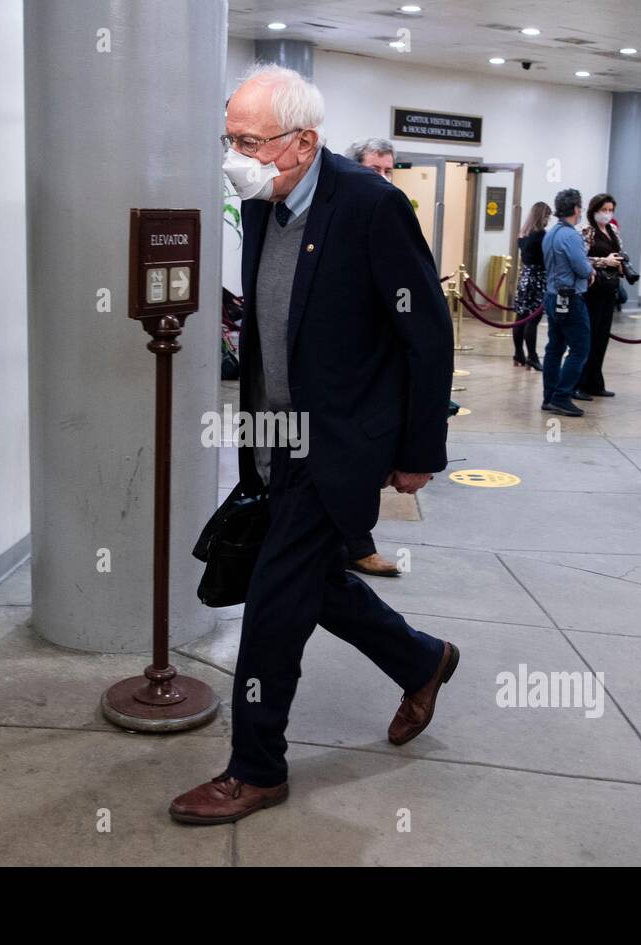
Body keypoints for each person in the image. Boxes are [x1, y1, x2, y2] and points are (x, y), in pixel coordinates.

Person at [171, 65, 457, 825]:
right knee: (315, 584)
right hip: (271, 437)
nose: (234, 154)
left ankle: (255, 769)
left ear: (303, 142)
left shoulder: (369, 206)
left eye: (248, 140)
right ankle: (422, 659)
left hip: (335, 445)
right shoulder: (264, 202)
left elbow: (426, 333)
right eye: (228, 138)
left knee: (271, 609)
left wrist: (418, 448)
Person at [343, 134, 405, 577]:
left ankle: (359, 543)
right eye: (374, 169)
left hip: (377, 362)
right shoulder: (340, 214)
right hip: (340, 364)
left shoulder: (391, 214)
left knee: (367, 462)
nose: (383, 178)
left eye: (389, 170)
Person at [540, 187, 595, 418]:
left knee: (554, 347)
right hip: (570, 298)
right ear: (575, 208)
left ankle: (550, 396)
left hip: (552, 296)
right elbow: (581, 268)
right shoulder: (571, 235)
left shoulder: (551, 233)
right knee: (580, 348)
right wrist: (591, 270)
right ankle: (562, 396)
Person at [576, 193, 624, 399]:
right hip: (593, 289)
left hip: (610, 288)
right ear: (593, 210)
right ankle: (580, 382)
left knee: (602, 337)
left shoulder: (612, 229)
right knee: (588, 335)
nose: (607, 214)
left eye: (610, 210)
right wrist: (605, 261)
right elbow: (582, 258)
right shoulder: (587, 231)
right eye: (603, 210)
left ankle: (595, 381)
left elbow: (620, 251)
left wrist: (620, 263)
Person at [512, 201, 550, 371]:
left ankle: (518, 353)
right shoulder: (542, 236)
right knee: (532, 320)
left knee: (521, 317)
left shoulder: (523, 235)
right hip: (538, 279)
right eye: (548, 216)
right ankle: (532, 356)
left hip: (525, 277)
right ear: (543, 217)